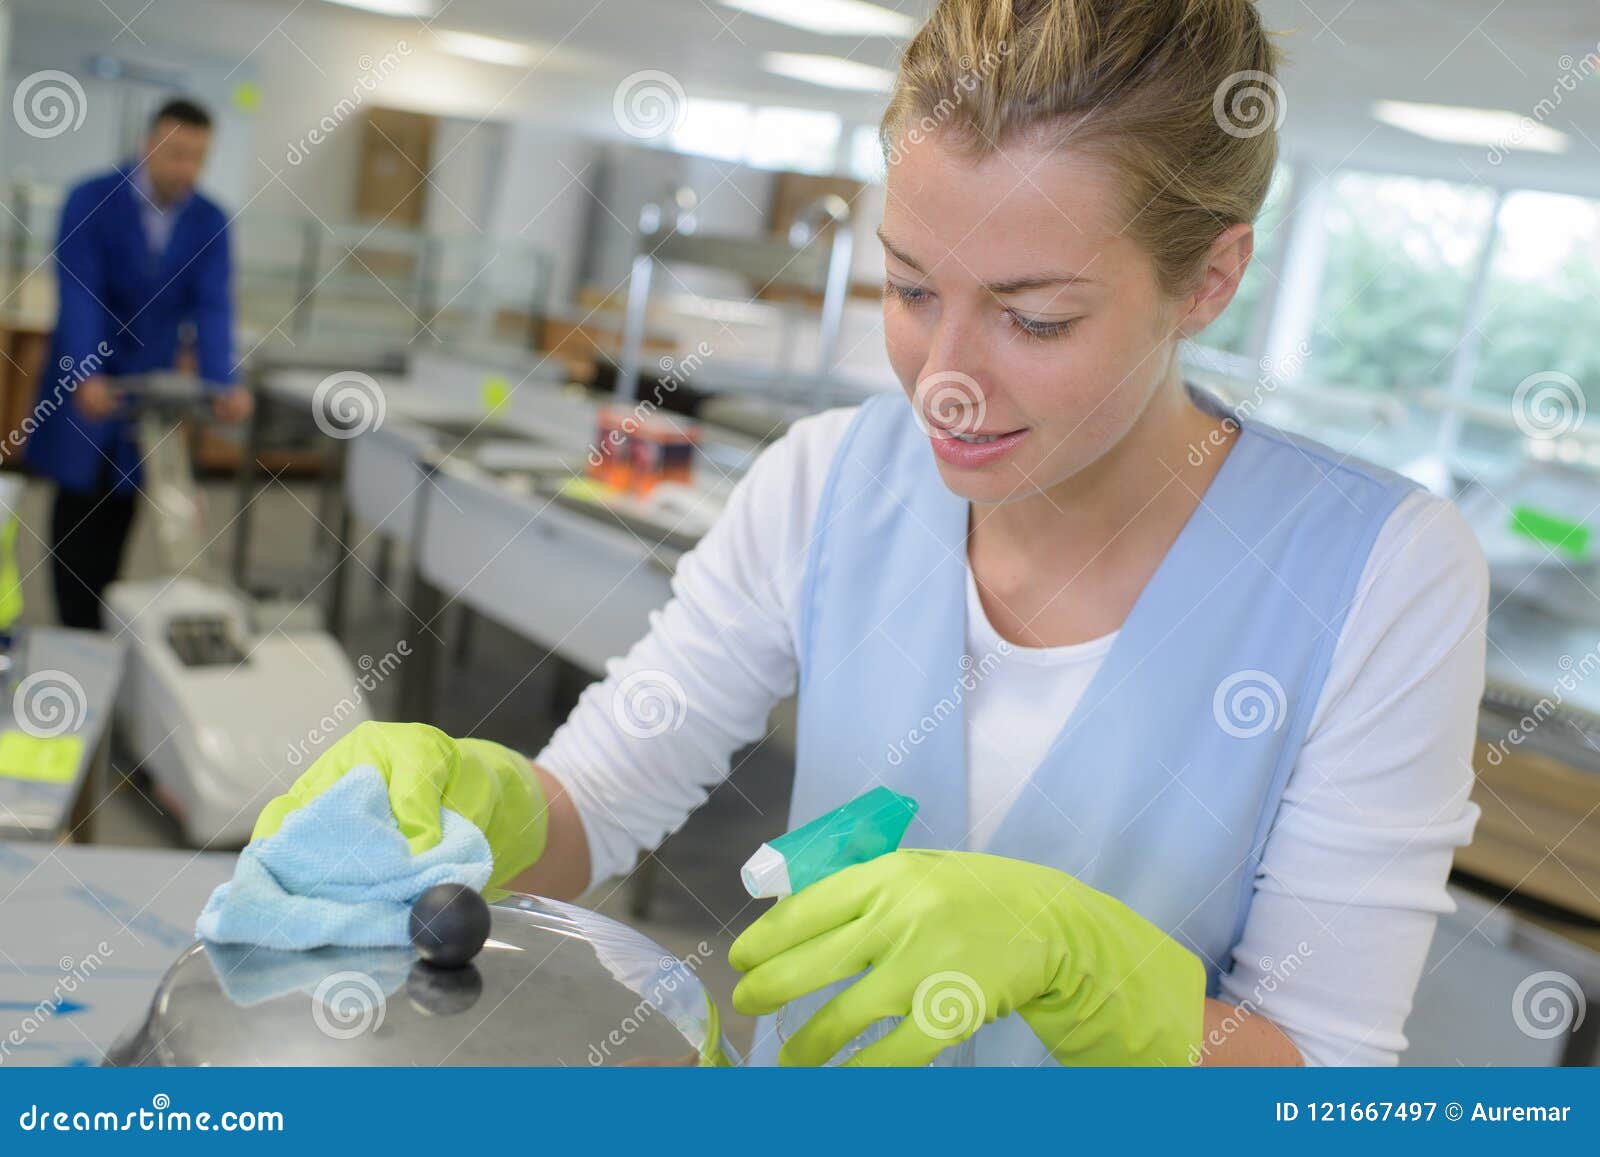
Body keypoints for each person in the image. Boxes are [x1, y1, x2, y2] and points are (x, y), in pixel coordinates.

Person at [255, 0, 1486, 1067]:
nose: (944, 381)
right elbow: (599, 806)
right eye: (908, 289)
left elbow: (1330, 1082)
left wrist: (1094, 969)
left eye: (1035, 318)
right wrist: (481, 802)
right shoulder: (828, 481)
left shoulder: (1379, 576)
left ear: (1210, 279)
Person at [28, 97, 252, 630]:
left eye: (197, 157)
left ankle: (100, 630)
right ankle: (72, 632)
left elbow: (214, 304)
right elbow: (78, 292)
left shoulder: (209, 220)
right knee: (78, 507)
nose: (186, 169)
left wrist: (223, 381)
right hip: (89, 383)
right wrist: (85, 371)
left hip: (147, 393)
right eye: (176, 154)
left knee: (123, 507)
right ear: (147, 145)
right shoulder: (90, 199)